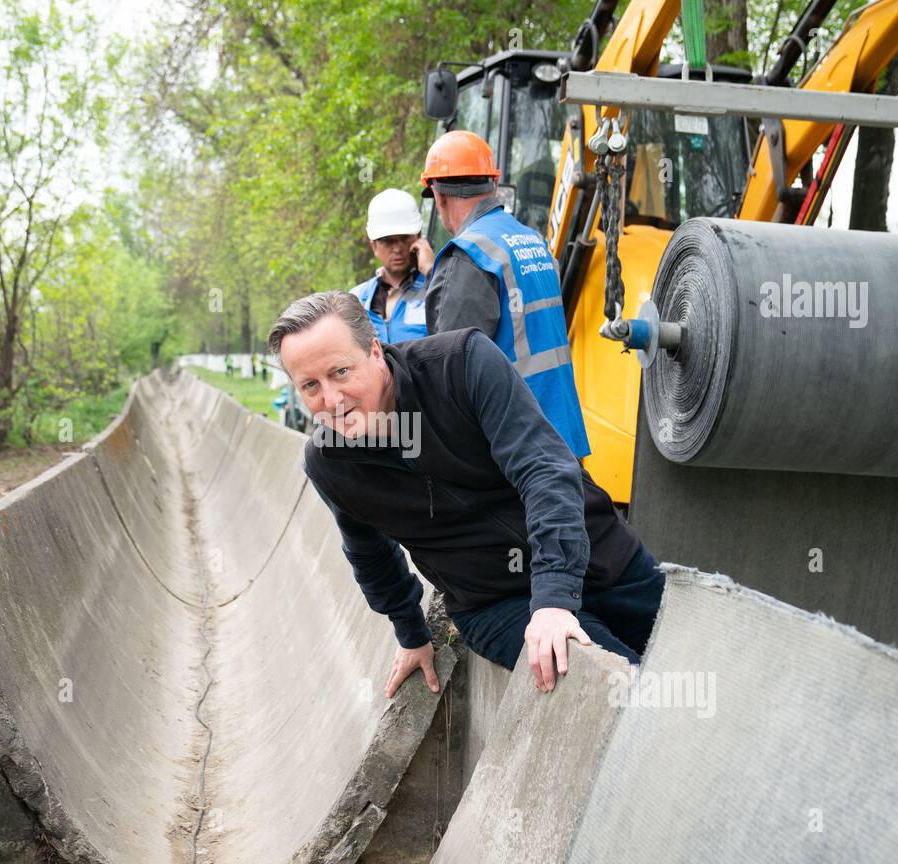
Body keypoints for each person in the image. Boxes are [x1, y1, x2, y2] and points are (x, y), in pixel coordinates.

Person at [268, 290, 663, 699]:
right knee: (627, 697)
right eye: (310, 385)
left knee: (700, 677)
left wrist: (555, 596)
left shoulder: (461, 363)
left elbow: (543, 471)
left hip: (601, 557)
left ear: (374, 350)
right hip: (495, 603)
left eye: (340, 372)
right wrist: (410, 633)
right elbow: (368, 553)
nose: (331, 400)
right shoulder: (328, 462)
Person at [421, 130, 590, 459]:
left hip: (517, 450)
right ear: (492, 185)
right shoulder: (532, 241)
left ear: (438, 196)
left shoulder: (469, 256)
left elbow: (450, 376)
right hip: (561, 434)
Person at [350, 188, 434, 345]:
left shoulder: (436, 287)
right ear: (374, 246)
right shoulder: (357, 299)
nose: (397, 248)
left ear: (419, 238)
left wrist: (431, 270)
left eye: (404, 238)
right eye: (387, 240)